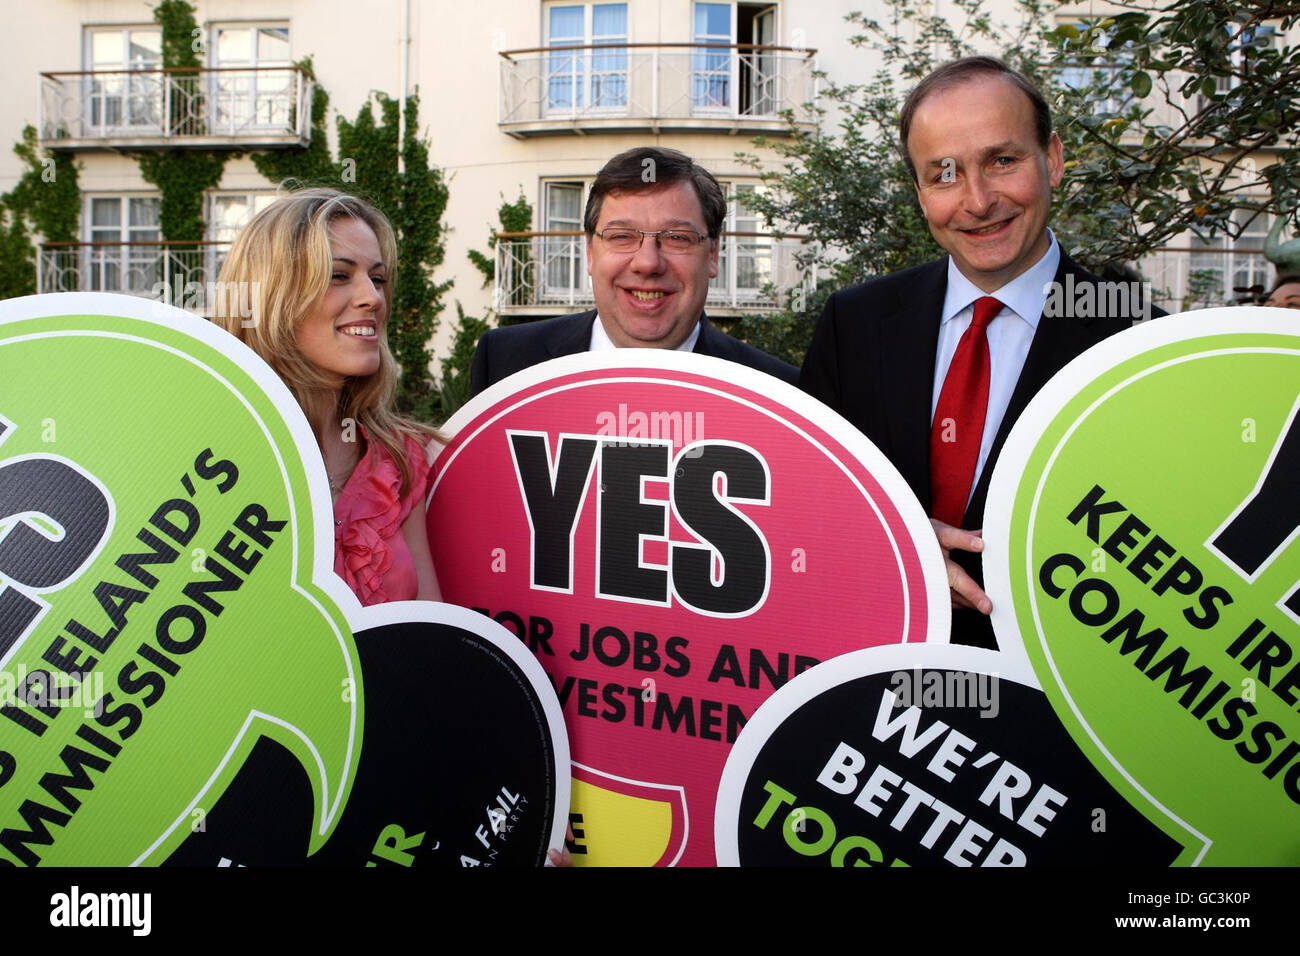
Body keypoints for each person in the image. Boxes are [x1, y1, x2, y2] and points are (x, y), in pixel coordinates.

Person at [800, 56, 1161, 649]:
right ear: (919, 191)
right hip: (871, 672)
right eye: (943, 173)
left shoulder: (1137, 341)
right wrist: (897, 554)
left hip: (1057, 696)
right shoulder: (855, 323)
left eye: (1002, 161)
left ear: (1054, 160)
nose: (976, 200)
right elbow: (807, 500)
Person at [214, 188, 441, 606]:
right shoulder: (208, 460)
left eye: (377, 278)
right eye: (339, 275)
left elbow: (430, 632)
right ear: (271, 297)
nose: (372, 297)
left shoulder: (399, 458)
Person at [470, 147, 798, 394]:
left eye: (677, 238)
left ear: (712, 253)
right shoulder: (504, 362)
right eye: (622, 236)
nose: (647, 263)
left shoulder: (779, 392)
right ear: (590, 250)